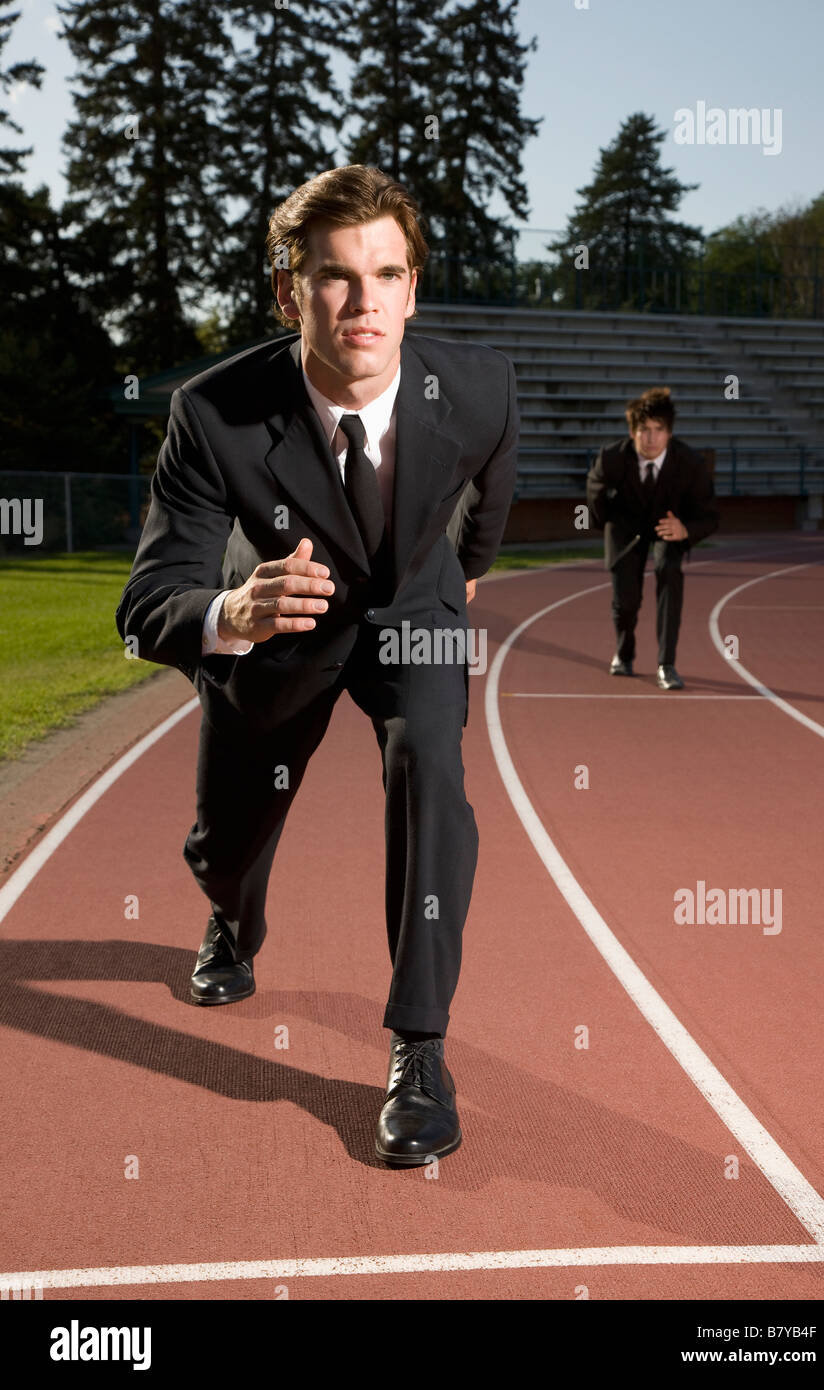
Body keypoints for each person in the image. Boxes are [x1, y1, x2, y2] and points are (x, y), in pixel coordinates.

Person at [116, 164, 519, 1167]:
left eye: (386, 273)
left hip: (413, 610)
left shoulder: (477, 388)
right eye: (335, 276)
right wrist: (229, 610)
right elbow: (144, 606)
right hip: (279, 617)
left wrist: (460, 576)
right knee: (226, 840)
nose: (363, 300)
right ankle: (229, 916)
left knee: (432, 765)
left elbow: (489, 495)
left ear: (413, 288)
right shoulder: (214, 415)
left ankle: (418, 1048)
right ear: (288, 289)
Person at [586, 387, 718, 688]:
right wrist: (603, 520)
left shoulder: (691, 464)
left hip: (667, 525)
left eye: (658, 430)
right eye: (643, 430)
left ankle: (666, 664)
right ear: (632, 432)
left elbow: (711, 515)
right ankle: (624, 652)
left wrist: (685, 529)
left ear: (669, 433)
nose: (650, 438)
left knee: (670, 573)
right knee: (626, 600)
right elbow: (594, 488)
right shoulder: (612, 458)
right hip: (624, 526)